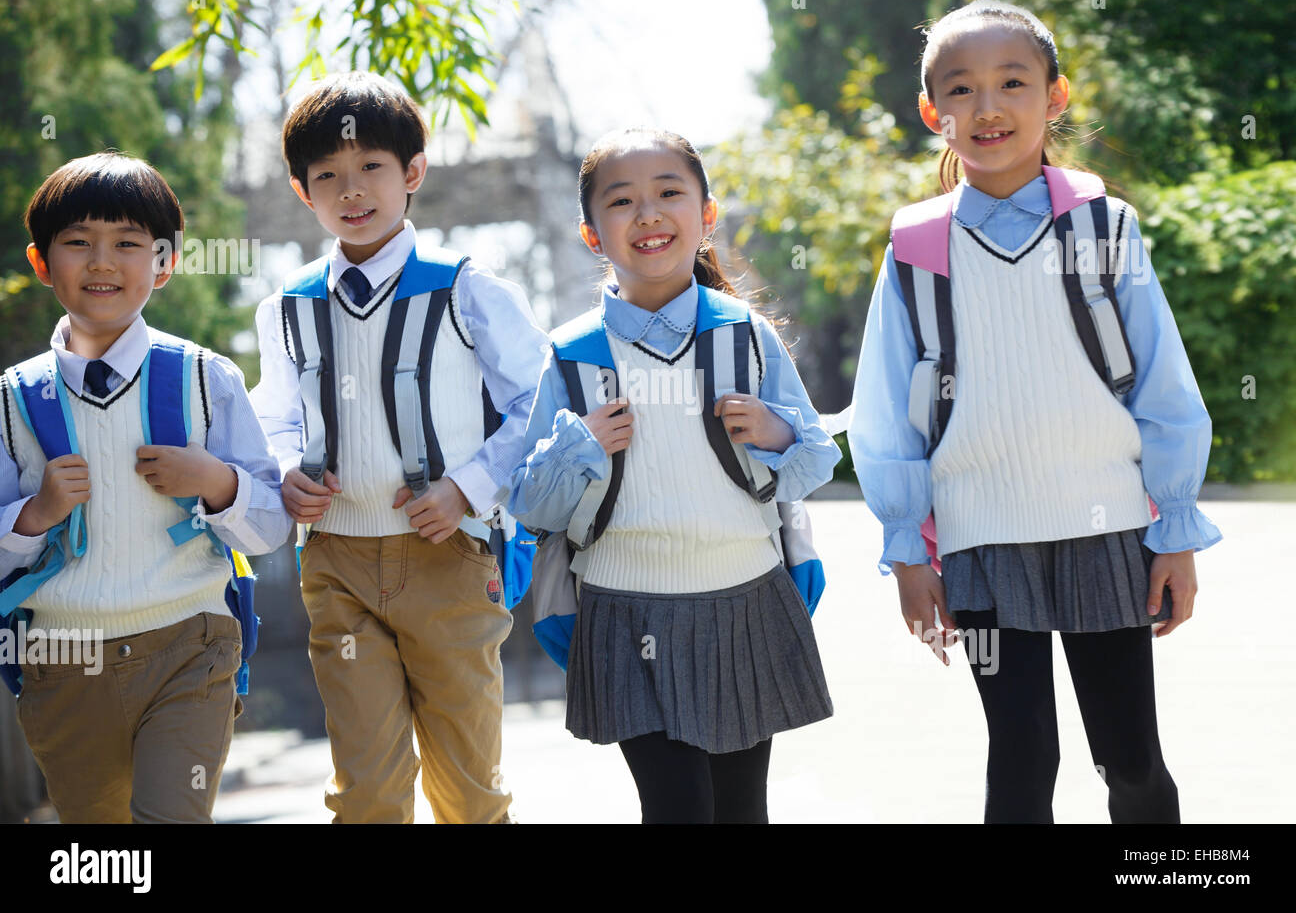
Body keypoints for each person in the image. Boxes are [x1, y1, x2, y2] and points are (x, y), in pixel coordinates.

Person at [849, 0, 1222, 823]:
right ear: (931, 112)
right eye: (962, 89)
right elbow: (884, 415)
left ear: (1054, 98)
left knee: (1128, 757)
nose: (988, 108)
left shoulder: (1103, 225)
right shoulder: (914, 249)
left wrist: (1177, 526)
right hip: (982, 543)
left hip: (1107, 530)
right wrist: (909, 548)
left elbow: (1163, 382)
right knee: (1022, 762)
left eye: (1012, 83)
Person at [507, 127, 840, 823]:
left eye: (668, 194)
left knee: (741, 809)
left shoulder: (745, 334)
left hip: (742, 601)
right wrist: (580, 447)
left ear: (706, 215)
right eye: (622, 201)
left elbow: (814, 461)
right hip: (623, 614)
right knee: (677, 807)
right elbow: (531, 506)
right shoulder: (570, 355)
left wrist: (776, 433)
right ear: (593, 235)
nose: (649, 214)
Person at [250, 71, 548, 824]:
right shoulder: (287, 306)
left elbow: (540, 404)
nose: (352, 191)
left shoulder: (467, 288)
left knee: (469, 786)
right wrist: (286, 469)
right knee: (367, 789)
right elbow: (275, 416)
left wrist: (469, 487)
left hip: (449, 558)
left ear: (412, 172)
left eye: (371, 168)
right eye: (328, 177)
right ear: (301, 191)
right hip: (337, 565)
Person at [0, 151, 291, 822]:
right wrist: (33, 515)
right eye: (78, 244)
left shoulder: (204, 379)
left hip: (189, 645)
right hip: (61, 663)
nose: (103, 262)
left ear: (164, 262)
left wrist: (217, 483)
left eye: (128, 244)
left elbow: (272, 525)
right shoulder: (14, 400)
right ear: (42, 264)